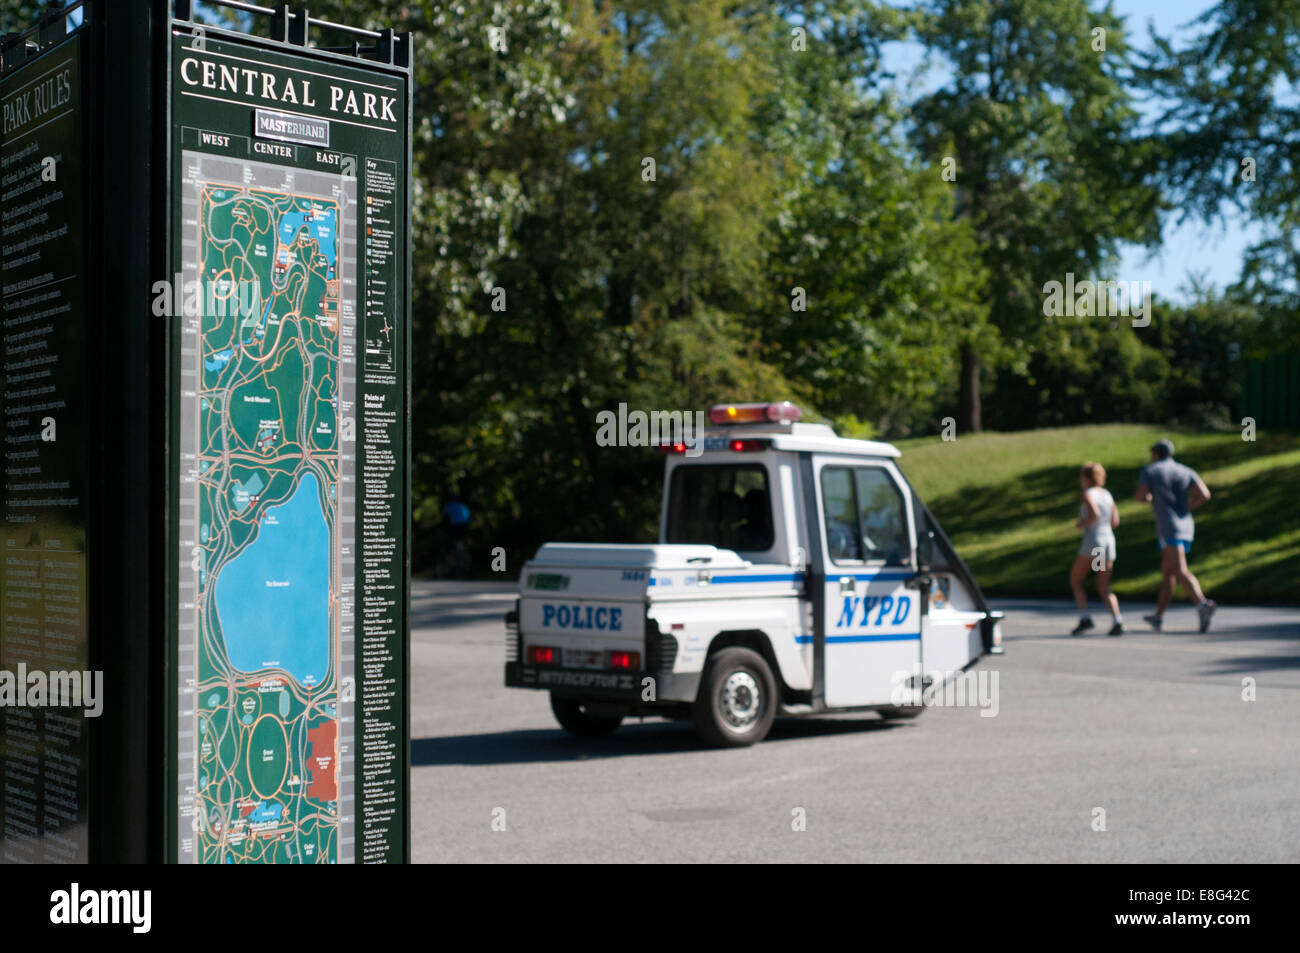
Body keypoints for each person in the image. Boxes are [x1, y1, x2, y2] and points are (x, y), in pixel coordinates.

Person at [1134, 438, 1216, 632]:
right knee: (1168, 573)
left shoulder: (1151, 471)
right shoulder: (1186, 470)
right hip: (1186, 524)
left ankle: (1203, 604)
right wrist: (1186, 507)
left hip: (1168, 526)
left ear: (1156, 453)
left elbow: (1140, 496)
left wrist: (1151, 499)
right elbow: (1204, 495)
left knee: (1179, 570)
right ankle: (1158, 616)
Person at [1069, 462, 1123, 635]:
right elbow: (1115, 522)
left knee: (1076, 580)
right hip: (1108, 542)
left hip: (1095, 542)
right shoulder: (1107, 494)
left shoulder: (1088, 494)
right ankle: (1117, 620)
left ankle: (1085, 617)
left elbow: (1095, 515)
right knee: (1103, 585)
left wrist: (1081, 524)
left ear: (1085, 478)